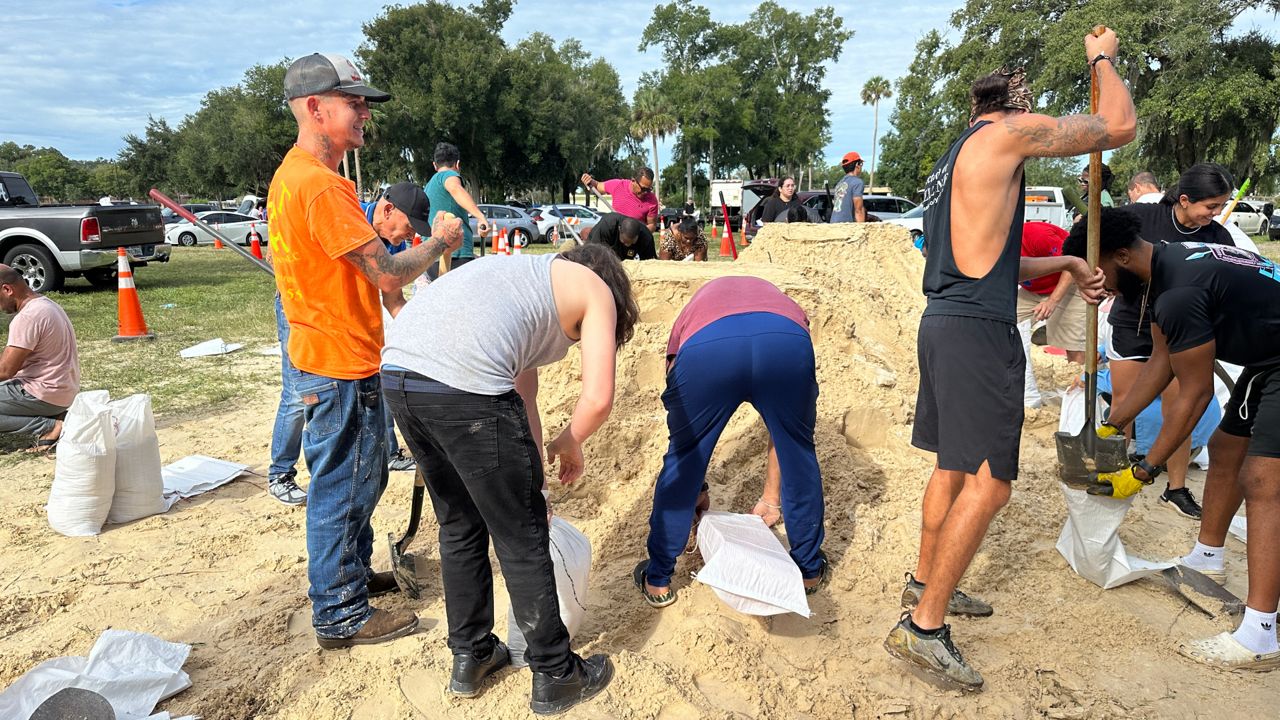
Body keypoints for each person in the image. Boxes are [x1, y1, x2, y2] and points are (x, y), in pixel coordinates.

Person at [886, 33, 1131, 690]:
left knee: (954, 467)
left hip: (946, 322)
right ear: (1016, 109)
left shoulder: (958, 158)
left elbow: (995, 263)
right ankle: (924, 628)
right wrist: (1101, 57)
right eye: (1033, 110)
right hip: (975, 333)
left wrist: (1071, 262)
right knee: (991, 484)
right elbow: (1119, 126)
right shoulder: (1007, 136)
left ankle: (924, 581)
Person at [381, 244, 638, 714]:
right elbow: (599, 397)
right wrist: (570, 441)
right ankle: (555, 672)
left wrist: (533, 483)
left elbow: (522, 399)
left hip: (399, 374)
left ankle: (471, 655)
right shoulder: (595, 288)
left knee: (459, 525)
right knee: (522, 535)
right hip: (462, 384)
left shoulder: (522, 282)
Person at [268, 52, 462, 649]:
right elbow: (386, 274)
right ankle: (340, 613)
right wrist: (440, 240)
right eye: (353, 104)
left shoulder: (297, 177)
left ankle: (347, 577)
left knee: (361, 477)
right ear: (313, 107)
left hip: (328, 352)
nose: (363, 116)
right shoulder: (320, 187)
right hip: (338, 360)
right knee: (343, 486)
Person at [1064, 208, 1280, 671]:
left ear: (1120, 254)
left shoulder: (1178, 291)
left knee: (1263, 479)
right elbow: (1160, 363)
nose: (1095, 282)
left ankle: (1261, 634)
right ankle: (1207, 558)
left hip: (1277, 357)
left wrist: (1144, 470)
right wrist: (1111, 422)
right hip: (1267, 358)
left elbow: (1195, 393)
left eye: (1095, 268)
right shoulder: (1162, 270)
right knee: (1225, 449)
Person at [634, 276, 826, 607]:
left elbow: (679, 407)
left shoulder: (693, 310)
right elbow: (785, 434)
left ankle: (659, 580)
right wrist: (770, 499)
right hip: (785, 343)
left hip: (709, 349)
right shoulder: (785, 304)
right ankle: (809, 571)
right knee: (798, 449)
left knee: (684, 455)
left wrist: (697, 485)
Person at [265, 182, 432, 504]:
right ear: (387, 211)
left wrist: (418, 335)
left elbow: (392, 294)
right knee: (298, 394)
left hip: (347, 314)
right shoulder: (343, 214)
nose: (408, 236)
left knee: (376, 375)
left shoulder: (388, 243)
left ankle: (389, 451)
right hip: (302, 308)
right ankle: (280, 473)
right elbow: (284, 243)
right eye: (408, 226)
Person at [1107, 163, 1238, 520]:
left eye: (1221, 206)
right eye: (1210, 206)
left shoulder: (1216, 238)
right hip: (1131, 326)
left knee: (1178, 408)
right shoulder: (1141, 216)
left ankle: (1176, 487)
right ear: (1183, 199)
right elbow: (1097, 235)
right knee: (1123, 406)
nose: (1215, 215)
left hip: (1182, 331)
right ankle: (1111, 474)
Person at [0, 265, 78, 450]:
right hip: (62, 391)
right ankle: (54, 418)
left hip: (43, 394)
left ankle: (51, 427)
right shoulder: (46, 304)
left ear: (7, 289)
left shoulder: (27, 317)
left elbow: (5, 370)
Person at [1016, 221, 1087, 406]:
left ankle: (1079, 397)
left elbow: (1074, 264)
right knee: (1002, 320)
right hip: (1033, 289)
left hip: (1070, 282)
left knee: (1072, 343)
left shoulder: (1036, 235)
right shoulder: (990, 245)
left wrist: (1052, 302)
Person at [425, 142, 490, 274]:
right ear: (457, 164)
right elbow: (455, 188)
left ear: (434, 165)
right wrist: (480, 217)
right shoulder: (449, 176)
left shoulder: (428, 186)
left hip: (432, 258)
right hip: (456, 256)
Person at [581, 169, 660, 231]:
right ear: (633, 181)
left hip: (635, 239)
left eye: (648, 189)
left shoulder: (652, 200)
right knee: (586, 232)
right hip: (614, 232)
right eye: (643, 189)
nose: (646, 192)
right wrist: (589, 181)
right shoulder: (618, 185)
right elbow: (598, 185)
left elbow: (652, 225)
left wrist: (637, 233)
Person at [585, 212, 657, 260]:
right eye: (625, 242)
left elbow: (649, 264)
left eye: (632, 242)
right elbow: (593, 253)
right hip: (602, 249)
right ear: (619, 230)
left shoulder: (646, 237)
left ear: (638, 235)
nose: (628, 245)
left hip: (625, 257)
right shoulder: (607, 226)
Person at [830, 152, 867, 223]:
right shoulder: (857, 182)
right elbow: (858, 210)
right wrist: (861, 229)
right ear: (857, 165)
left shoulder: (839, 183)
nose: (861, 167)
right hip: (845, 225)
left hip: (833, 223)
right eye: (861, 164)